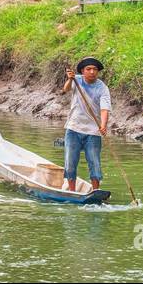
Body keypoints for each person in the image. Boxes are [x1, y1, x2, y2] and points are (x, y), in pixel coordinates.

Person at [60, 56, 111, 193]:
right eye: (88, 69)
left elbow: (105, 109)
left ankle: (95, 191)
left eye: (95, 69)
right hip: (73, 128)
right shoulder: (76, 80)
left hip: (93, 131)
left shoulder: (102, 88)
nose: (92, 72)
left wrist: (103, 125)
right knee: (70, 162)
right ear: (83, 71)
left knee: (94, 163)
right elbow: (65, 89)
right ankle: (71, 191)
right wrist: (70, 78)